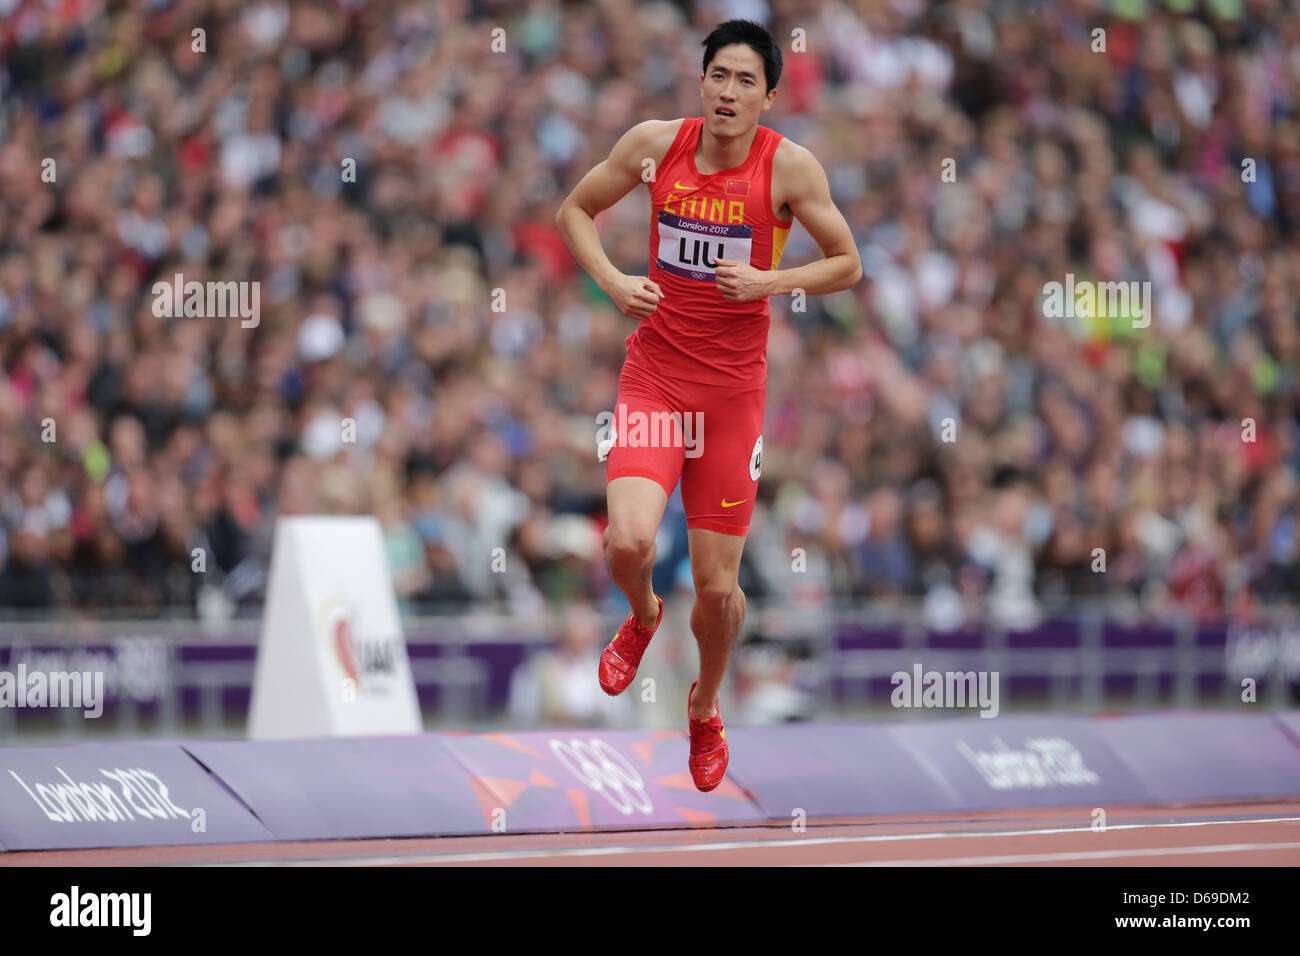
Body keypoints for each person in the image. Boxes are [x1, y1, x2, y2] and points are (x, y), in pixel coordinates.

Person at [555, 19, 861, 790]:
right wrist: (614, 281)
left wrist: (773, 282)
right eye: (717, 76)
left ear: (768, 94)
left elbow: (847, 263)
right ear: (702, 82)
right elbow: (574, 212)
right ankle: (644, 616)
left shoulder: (789, 170)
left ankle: (705, 706)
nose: (728, 92)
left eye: (745, 81)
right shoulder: (655, 145)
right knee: (627, 544)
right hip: (655, 379)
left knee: (720, 591)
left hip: (731, 398)